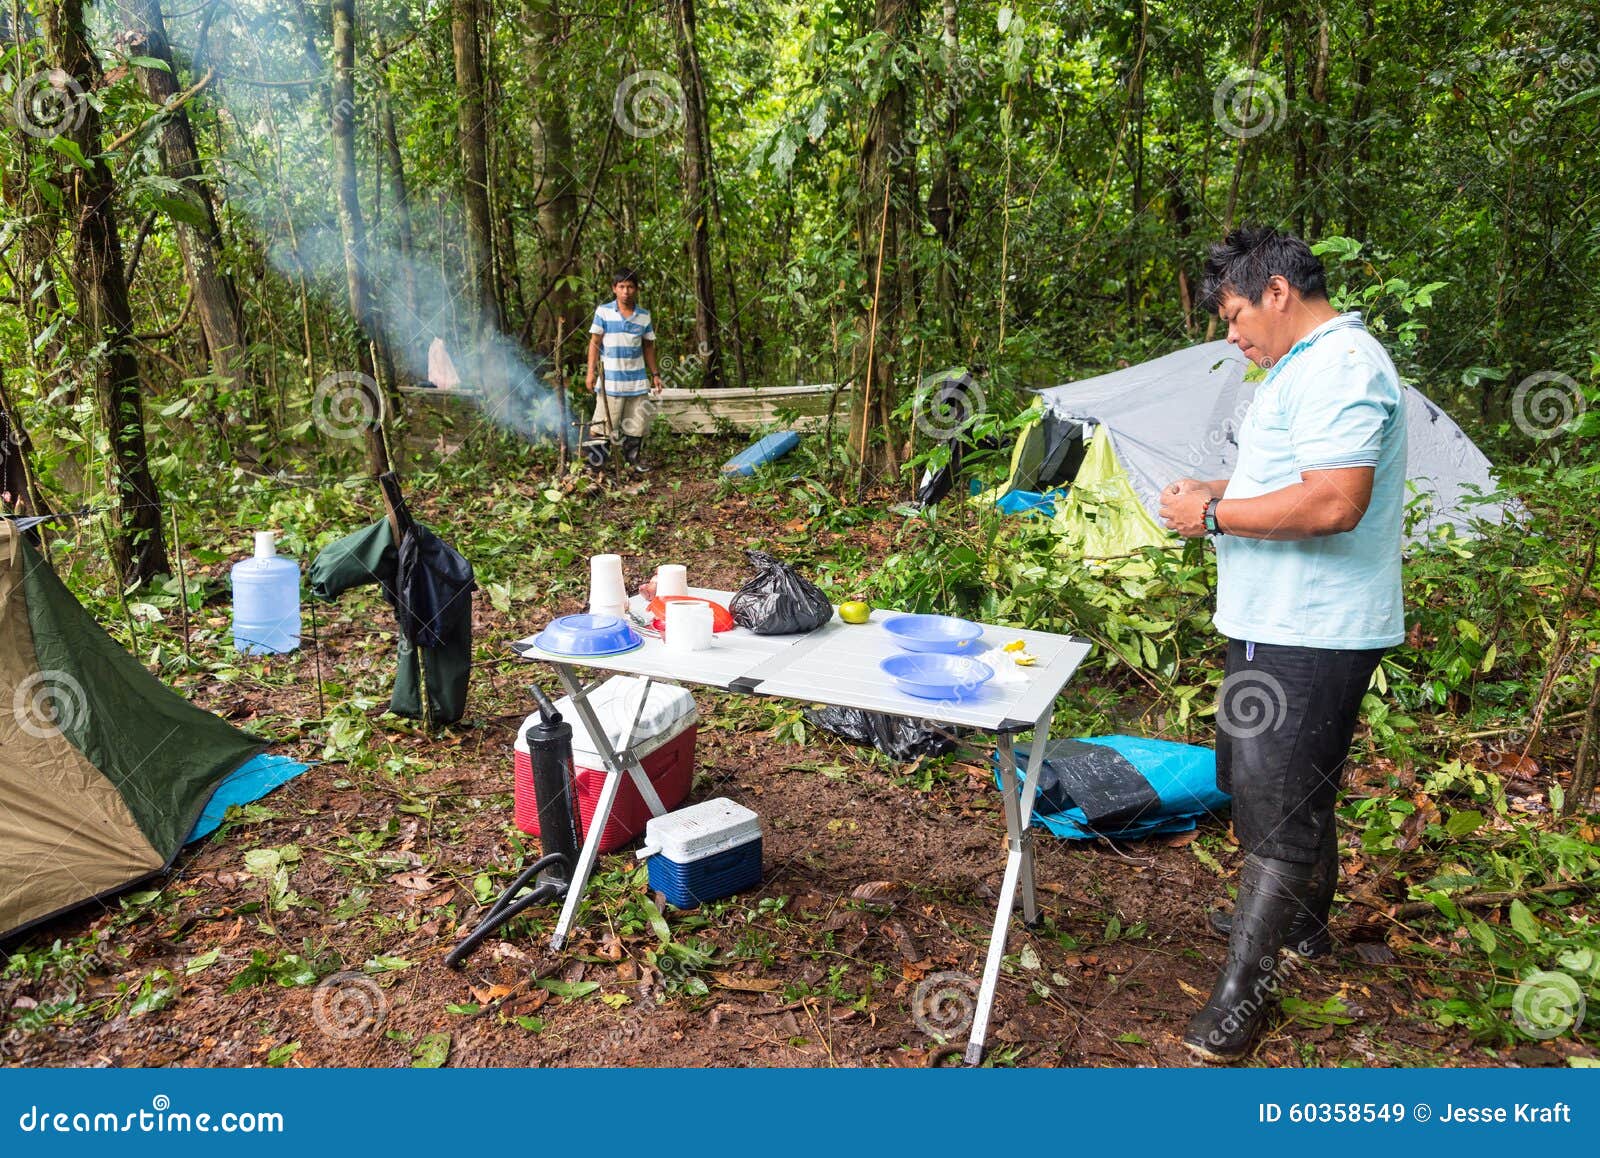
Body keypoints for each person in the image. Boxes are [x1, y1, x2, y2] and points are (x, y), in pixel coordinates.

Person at [1157, 225, 1407, 1062]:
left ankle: (1241, 1001)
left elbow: (1336, 501)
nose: (1230, 335)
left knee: (1276, 806)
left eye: (1233, 315)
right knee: (1265, 779)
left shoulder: (1343, 365)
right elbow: (1296, 480)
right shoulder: (1305, 367)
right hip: (1271, 623)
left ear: (1276, 293)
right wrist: (1220, 489)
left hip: (1311, 629)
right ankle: (1301, 927)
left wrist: (1215, 516)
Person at [584, 268, 664, 473]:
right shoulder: (604, 312)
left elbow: (648, 347)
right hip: (610, 380)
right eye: (621, 287)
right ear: (614, 289)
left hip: (637, 380)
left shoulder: (644, 316)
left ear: (636, 290)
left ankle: (633, 462)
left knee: (636, 424)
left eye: (630, 287)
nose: (626, 291)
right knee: (603, 424)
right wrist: (590, 373)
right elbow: (594, 343)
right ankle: (597, 465)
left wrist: (655, 374)